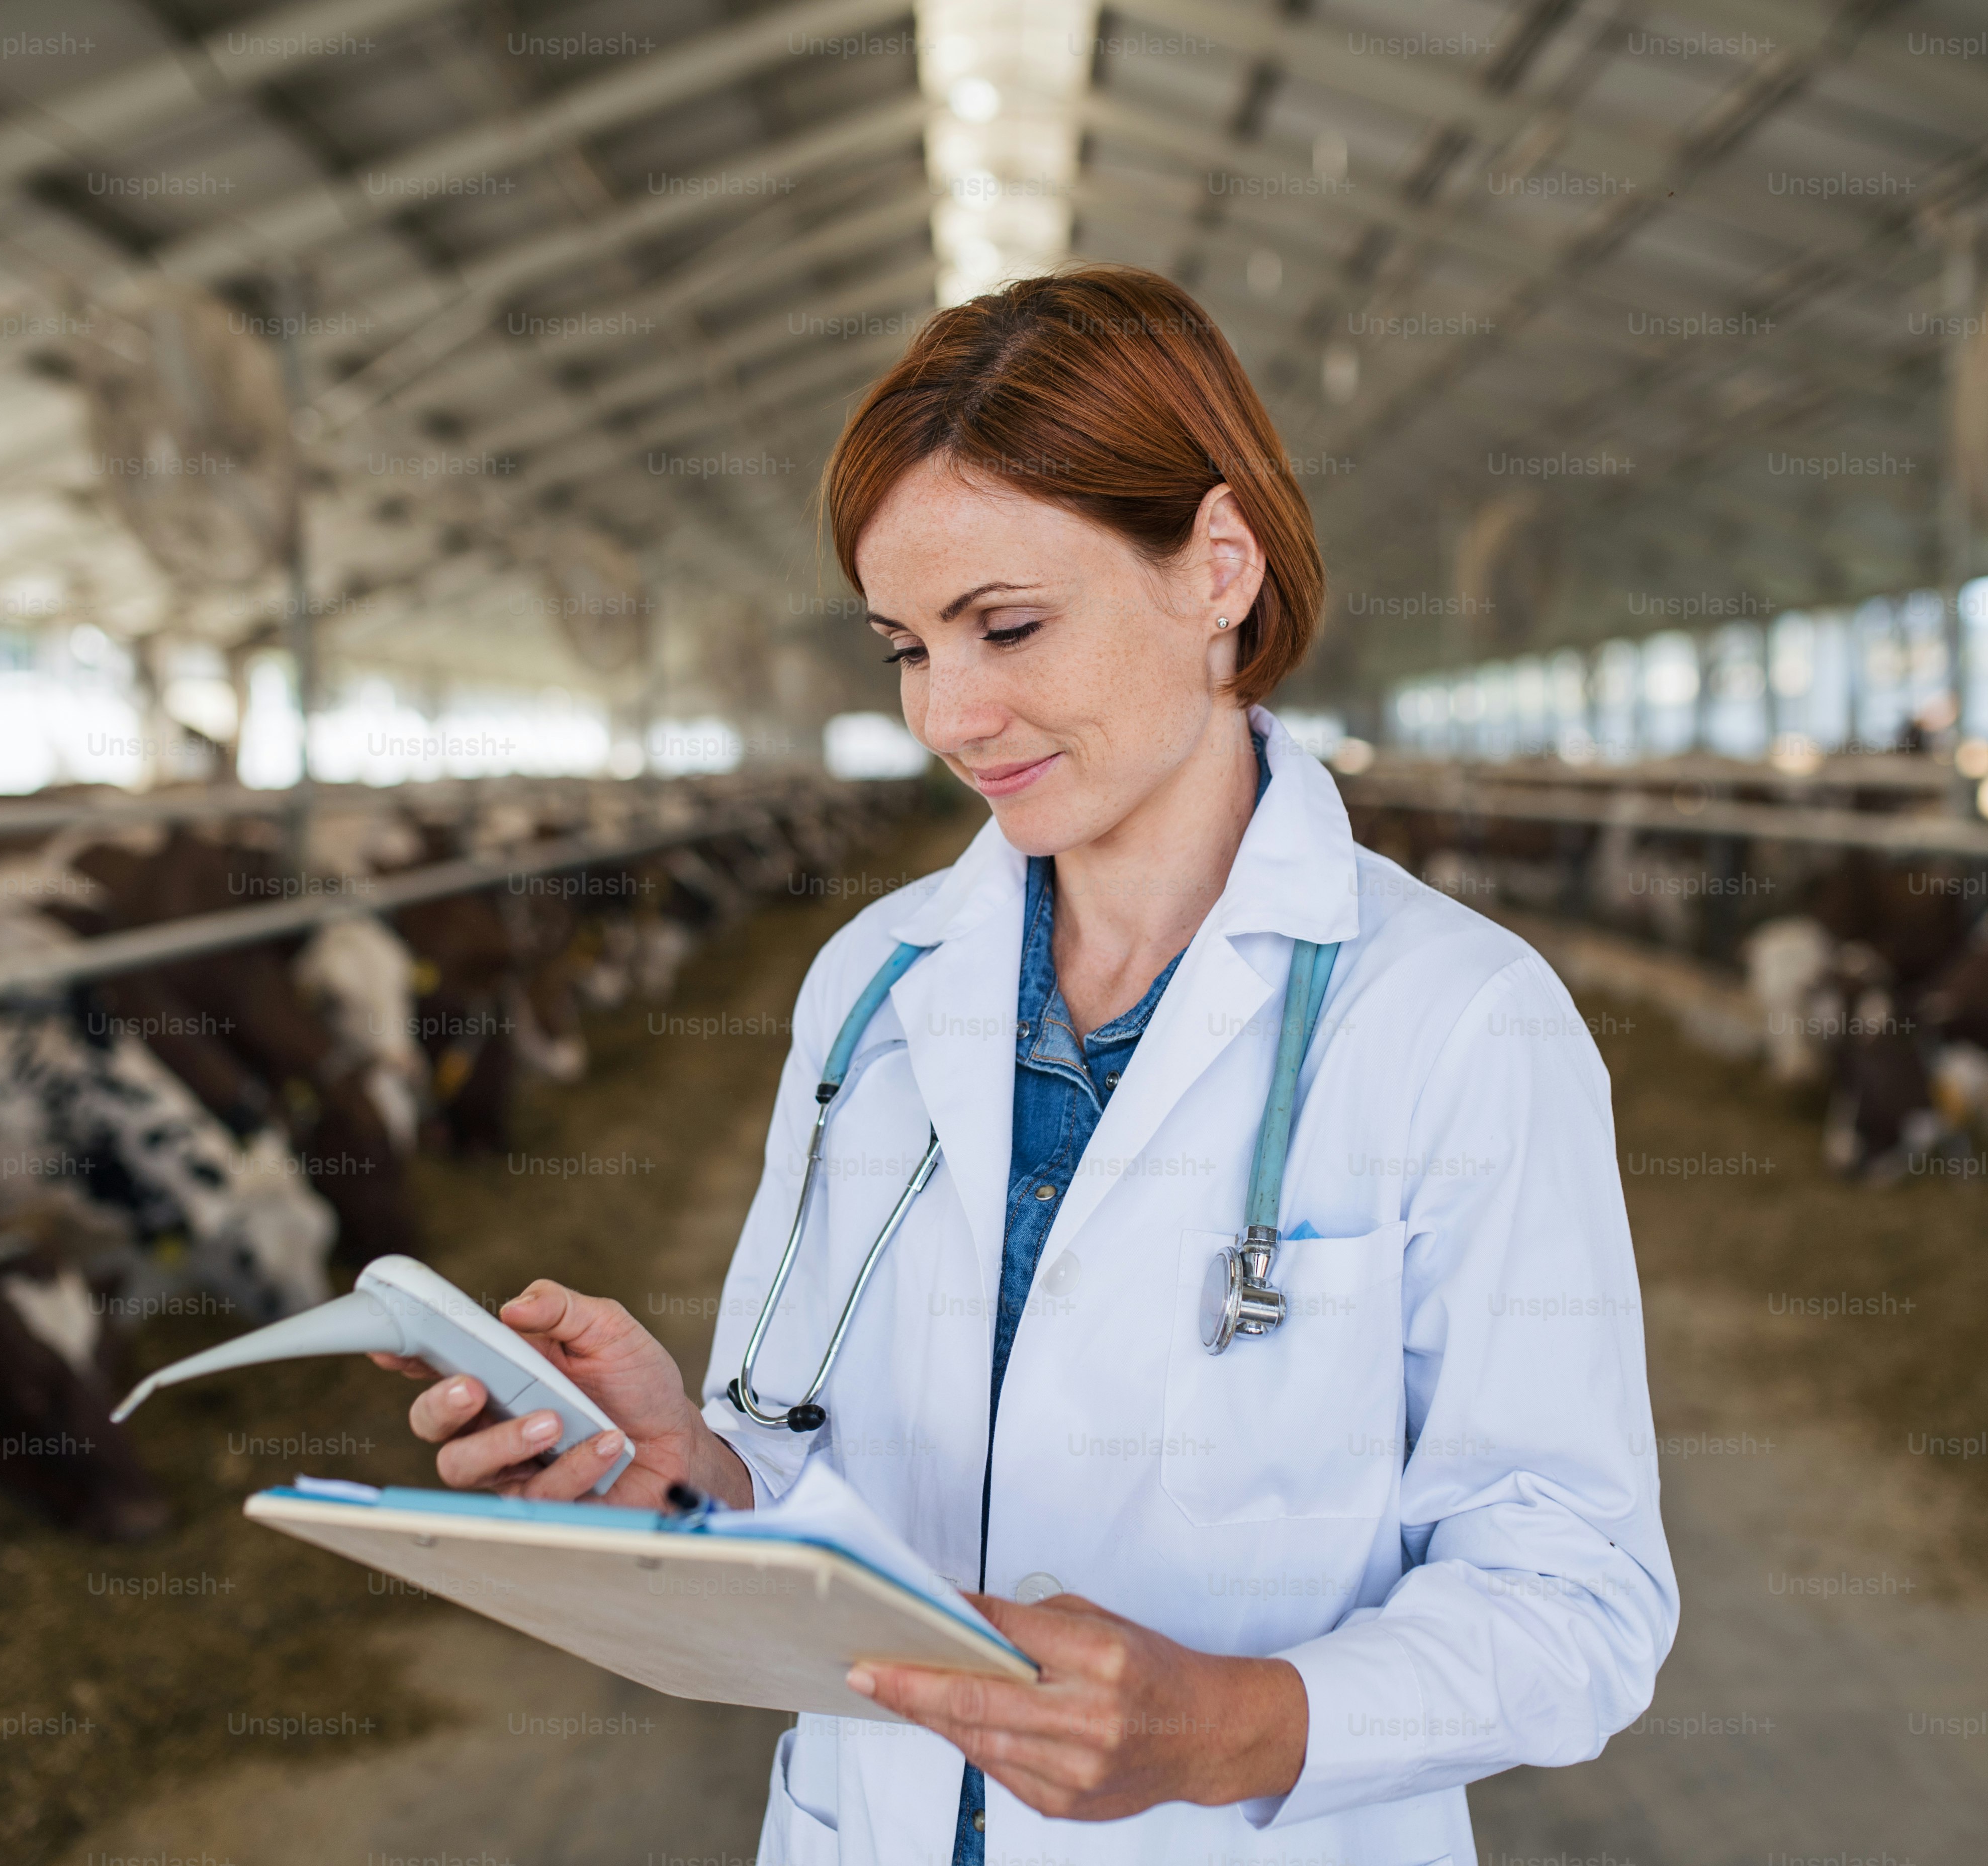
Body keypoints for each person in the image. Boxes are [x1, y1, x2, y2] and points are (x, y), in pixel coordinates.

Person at [387, 264, 1676, 1865]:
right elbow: (808, 1480)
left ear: (1217, 565)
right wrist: (689, 1465)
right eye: (906, 649)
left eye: (1006, 627)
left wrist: (1242, 1723)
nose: (950, 712)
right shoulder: (875, 987)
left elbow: (1577, 1599)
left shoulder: (1459, 1018)